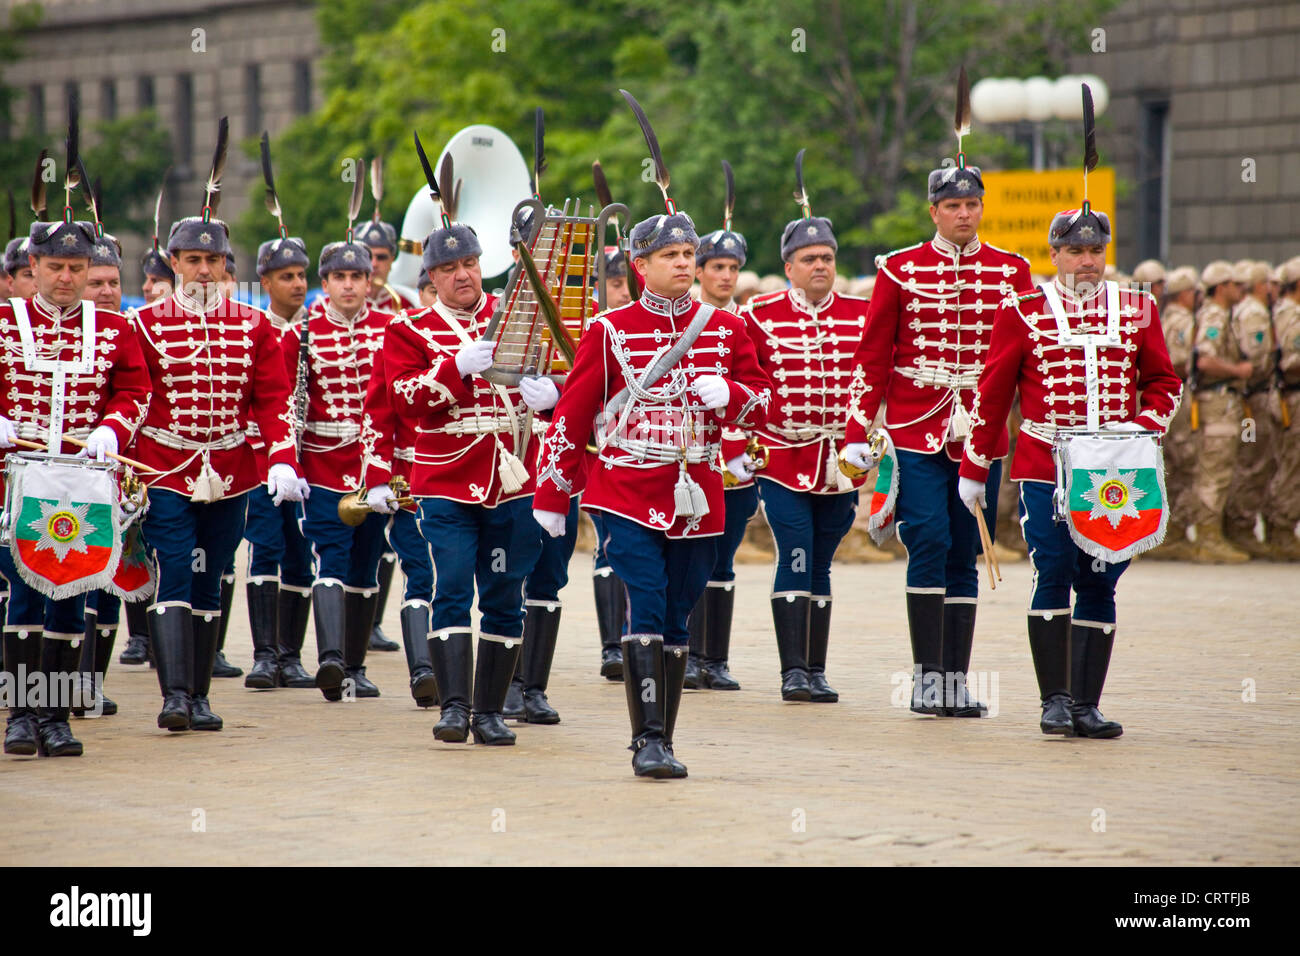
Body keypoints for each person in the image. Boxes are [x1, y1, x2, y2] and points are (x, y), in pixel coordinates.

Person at [533, 201, 772, 777]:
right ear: (640, 265)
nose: (686, 264)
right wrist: (552, 495)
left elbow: (769, 401)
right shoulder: (608, 330)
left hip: (699, 491)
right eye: (671, 255)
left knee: (680, 607)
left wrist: (735, 397)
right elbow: (573, 413)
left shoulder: (730, 327)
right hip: (626, 489)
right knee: (647, 596)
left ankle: (663, 732)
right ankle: (649, 740)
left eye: (690, 254)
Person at [957, 200, 1181, 738]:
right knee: (1053, 571)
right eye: (1075, 251)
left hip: (1116, 471)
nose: (1087, 261)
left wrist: (1144, 426)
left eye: (1095, 251)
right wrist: (975, 464)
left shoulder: (1138, 309)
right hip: (1045, 464)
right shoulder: (1021, 310)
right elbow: (994, 393)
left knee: (1101, 579)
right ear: (1054, 255)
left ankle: (1087, 704)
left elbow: (1163, 383)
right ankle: (1053, 700)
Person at [129, 120, 306, 732]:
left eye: (213, 261)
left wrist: (280, 455)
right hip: (168, 469)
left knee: (214, 574)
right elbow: (134, 396)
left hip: (232, 469)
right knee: (175, 568)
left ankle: (200, 694)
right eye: (193, 260)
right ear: (174, 262)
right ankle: (174, 694)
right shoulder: (144, 326)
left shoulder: (255, 326)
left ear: (226, 265)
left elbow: (272, 398)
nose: (204, 271)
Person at [843, 146, 1031, 716]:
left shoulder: (1011, 270)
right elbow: (873, 355)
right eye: (953, 205)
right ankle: (928, 678)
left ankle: (955, 680)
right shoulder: (898, 269)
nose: (965, 214)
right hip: (913, 425)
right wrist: (857, 429)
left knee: (964, 547)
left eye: (972, 203)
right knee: (927, 536)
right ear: (933, 211)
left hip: (981, 428)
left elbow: (1024, 359)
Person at [383, 193, 544, 746]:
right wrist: (453, 367)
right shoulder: (409, 330)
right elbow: (403, 400)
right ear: (431, 276)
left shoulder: (516, 316)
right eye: (448, 268)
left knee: (504, 591)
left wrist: (551, 396)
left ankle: (492, 710)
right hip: (446, 479)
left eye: (469, 264)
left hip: (513, 479)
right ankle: (454, 706)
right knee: (451, 586)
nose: (462, 275)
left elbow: (561, 373)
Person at [0, 216, 151, 756]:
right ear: (33, 267)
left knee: (72, 598)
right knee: (23, 593)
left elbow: (134, 389)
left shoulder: (116, 328)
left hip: (84, 478)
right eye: (56, 267)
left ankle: (55, 716)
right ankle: (20, 714)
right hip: (17, 478)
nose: (66, 278)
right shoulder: (3, 320)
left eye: (77, 268)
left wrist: (113, 428)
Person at [741, 155, 868, 703]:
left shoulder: (861, 315)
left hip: (840, 460)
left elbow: (869, 384)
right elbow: (743, 383)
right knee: (793, 548)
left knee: (821, 559)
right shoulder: (758, 315)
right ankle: (793, 671)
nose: (821, 265)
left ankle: (815, 668)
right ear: (789, 265)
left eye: (828, 257)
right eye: (809, 258)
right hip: (783, 456)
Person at [292, 235, 391, 701]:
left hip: (375, 465)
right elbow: (290, 405)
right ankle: (331, 659)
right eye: (339, 278)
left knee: (366, 562)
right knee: (330, 554)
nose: (348, 286)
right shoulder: (303, 331)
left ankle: (355, 666)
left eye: (357, 277)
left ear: (370, 281)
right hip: (324, 463)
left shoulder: (395, 329)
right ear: (325, 282)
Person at [683, 174, 754, 691]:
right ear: (699, 271)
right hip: (688, 457)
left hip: (737, 465)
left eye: (733, 268)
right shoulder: (682, 321)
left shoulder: (749, 324)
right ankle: (684, 652)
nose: (726, 276)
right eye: (717, 267)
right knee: (689, 557)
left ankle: (715, 659)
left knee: (723, 559)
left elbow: (761, 393)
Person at [240, 234, 317, 689]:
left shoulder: (315, 328)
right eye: (285, 276)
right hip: (263, 458)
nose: (296, 284)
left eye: (301, 275)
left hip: (307, 460)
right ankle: (264, 655)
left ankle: (291, 656)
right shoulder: (255, 327)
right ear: (265, 280)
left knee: (300, 553)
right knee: (265, 547)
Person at [1187, 261, 1252, 563]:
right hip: (1217, 402)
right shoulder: (1214, 314)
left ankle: (1212, 534)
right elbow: (1204, 360)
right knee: (1215, 469)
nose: (1241, 290)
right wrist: (1237, 370)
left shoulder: (1223, 314)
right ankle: (1207, 538)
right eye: (1236, 285)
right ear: (1222, 287)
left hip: (1226, 402)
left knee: (1220, 468)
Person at [1263, 257, 1300, 560]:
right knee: (1291, 465)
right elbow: (1291, 359)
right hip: (1292, 397)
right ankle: (1282, 530)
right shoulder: (1291, 314)